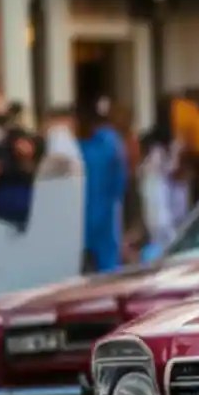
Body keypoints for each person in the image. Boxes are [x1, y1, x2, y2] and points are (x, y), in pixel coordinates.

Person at [79, 106, 128, 273]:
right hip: (105, 208)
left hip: (91, 210)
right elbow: (120, 178)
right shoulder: (111, 142)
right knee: (108, 260)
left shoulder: (84, 147)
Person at [140, 96, 189, 255]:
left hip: (171, 191)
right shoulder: (154, 142)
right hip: (158, 189)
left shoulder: (176, 141)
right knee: (162, 228)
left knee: (169, 229)